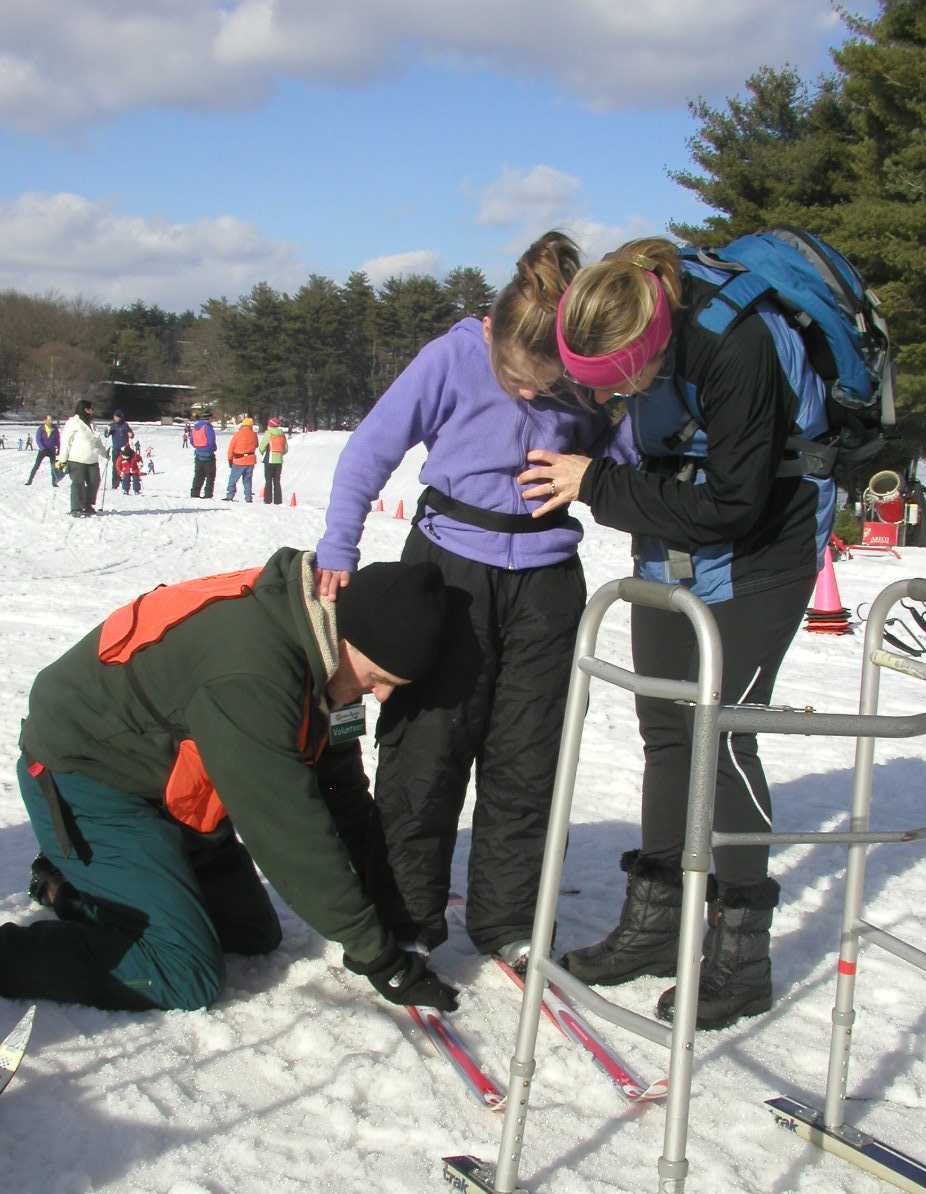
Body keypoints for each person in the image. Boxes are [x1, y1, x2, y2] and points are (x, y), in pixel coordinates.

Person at [518, 236, 836, 1030]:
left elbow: (737, 504)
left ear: (648, 346)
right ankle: (656, 925)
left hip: (769, 540)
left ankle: (741, 952)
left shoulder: (736, 346)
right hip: (676, 532)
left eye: (619, 389)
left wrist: (597, 486)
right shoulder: (616, 311)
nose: (610, 404)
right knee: (665, 724)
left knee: (720, 735)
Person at [313, 231, 635, 970]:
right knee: (427, 748)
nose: (528, 393)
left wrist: (609, 452)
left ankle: (509, 917)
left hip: (549, 581)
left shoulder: (584, 378)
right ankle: (408, 911)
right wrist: (340, 546)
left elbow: (618, 464)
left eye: (543, 382)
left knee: (527, 755)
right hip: (449, 573)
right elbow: (369, 450)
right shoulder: (452, 357)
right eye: (516, 378)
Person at [3, 552, 455, 1016]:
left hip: (167, 787)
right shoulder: (253, 674)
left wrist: (385, 899)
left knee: (250, 931)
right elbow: (287, 833)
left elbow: (341, 791)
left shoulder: (324, 654)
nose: (381, 695)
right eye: (379, 679)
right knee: (184, 971)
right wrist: (377, 957)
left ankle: (74, 887)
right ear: (348, 640)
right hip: (85, 775)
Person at [60, 399, 109, 517]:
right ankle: (76, 507)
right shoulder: (73, 423)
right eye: (91, 408)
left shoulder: (93, 425)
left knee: (94, 481)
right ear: (85, 409)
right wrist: (62, 459)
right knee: (78, 483)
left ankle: (87, 504)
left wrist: (104, 453)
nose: (92, 411)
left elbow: (97, 442)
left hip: (92, 459)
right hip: (77, 459)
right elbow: (66, 441)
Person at [223, 416, 258, 502]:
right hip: (250, 460)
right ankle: (248, 498)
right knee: (247, 480)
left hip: (239, 460)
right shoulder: (254, 434)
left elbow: (231, 447)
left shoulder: (238, 434)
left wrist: (230, 459)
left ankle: (230, 495)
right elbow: (256, 445)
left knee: (233, 479)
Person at [25, 415, 61, 487]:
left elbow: (58, 440)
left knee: (54, 466)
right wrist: (42, 448)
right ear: (45, 421)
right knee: (36, 465)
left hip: (51, 450)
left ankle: (54, 482)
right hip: (43, 450)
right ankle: (30, 480)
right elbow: (38, 440)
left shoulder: (55, 429)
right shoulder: (41, 429)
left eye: (51, 420)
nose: (50, 421)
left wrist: (58, 448)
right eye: (49, 420)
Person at [259, 417, 287, 504]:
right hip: (279, 461)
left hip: (270, 459)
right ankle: (278, 500)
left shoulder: (269, 433)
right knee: (277, 481)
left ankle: (268, 499)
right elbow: (285, 449)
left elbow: (262, 446)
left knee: (268, 480)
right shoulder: (282, 434)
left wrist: (262, 451)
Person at [190, 412, 217, 498]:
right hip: (208, 455)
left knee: (198, 475)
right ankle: (208, 494)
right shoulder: (208, 427)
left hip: (198, 453)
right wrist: (213, 448)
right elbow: (211, 441)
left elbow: (192, 441)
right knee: (210, 475)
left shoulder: (195, 427)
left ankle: (195, 493)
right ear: (209, 419)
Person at [106, 410, 133, 489]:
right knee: (115, 467)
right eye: (114, 417)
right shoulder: (112, 425)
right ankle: (115, 484)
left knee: (125, 466)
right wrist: (107, 431)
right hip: (116, 449)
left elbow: (131, 433)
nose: (115, 419)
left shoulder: (125, 425)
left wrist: (130, 434)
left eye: (117, 417)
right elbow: (106, 434)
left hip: (124, 450)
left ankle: (125, 483)